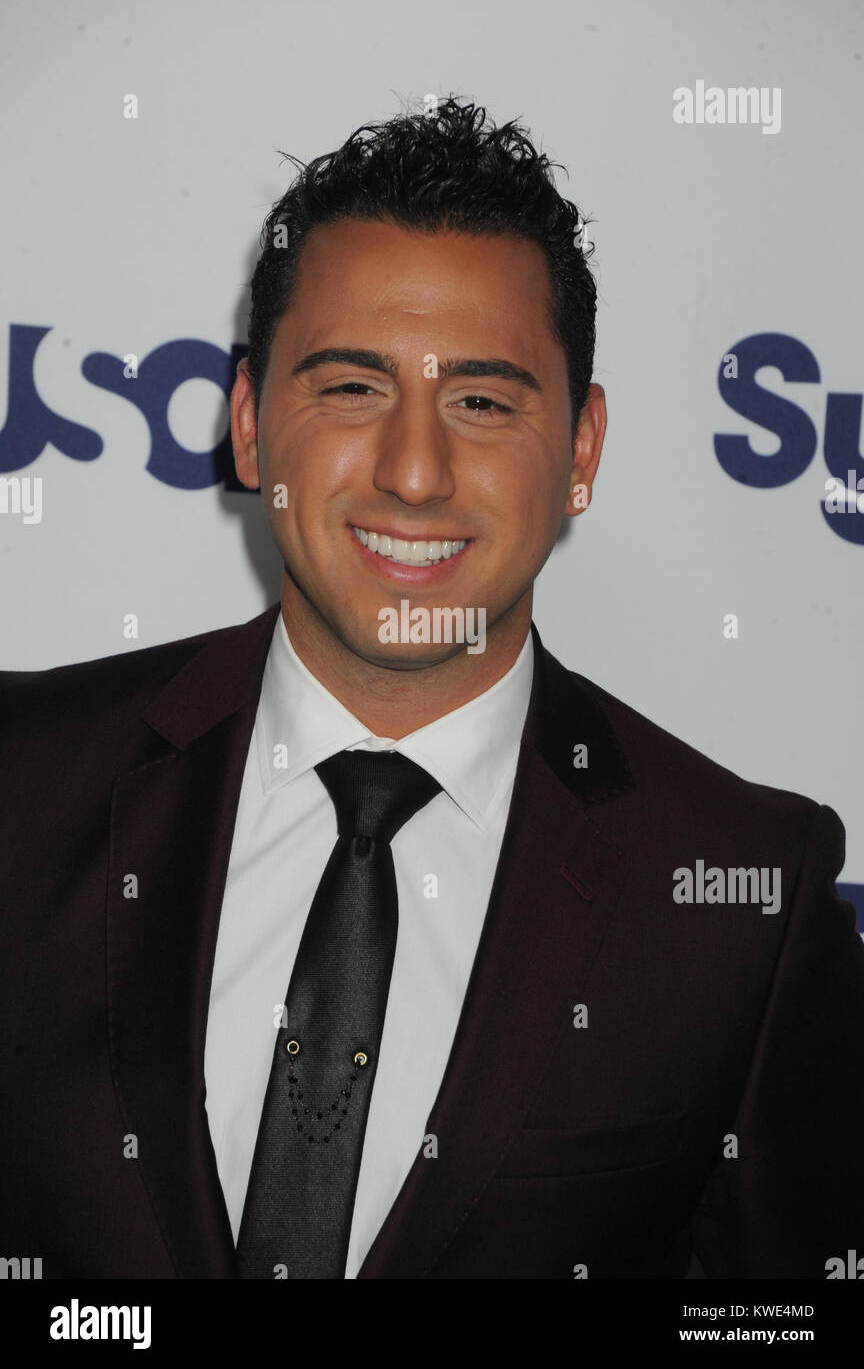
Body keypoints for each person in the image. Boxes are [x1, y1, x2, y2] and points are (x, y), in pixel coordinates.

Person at [1, 97, 861, 1281]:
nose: (414, 472)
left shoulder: (742, 897)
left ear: (582, 452)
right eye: (352, 388)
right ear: (250, 426)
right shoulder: (22, 783)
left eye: (483, 401)